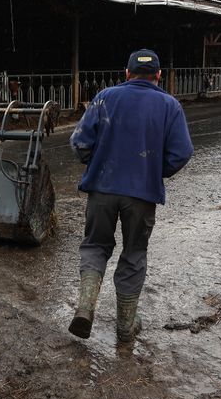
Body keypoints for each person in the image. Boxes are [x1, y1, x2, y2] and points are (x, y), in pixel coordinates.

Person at [68, 49, 193, 342]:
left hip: (102, 188)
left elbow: (79, 143)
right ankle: (125, 326)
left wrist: (99, 161)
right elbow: (182, 152)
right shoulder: (170, 105)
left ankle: (85, 308)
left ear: (126, 73)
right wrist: (153, 169)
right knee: (134, 254)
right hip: (142, 194)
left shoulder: (104, 98)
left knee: (95, 246)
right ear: (159, 76)